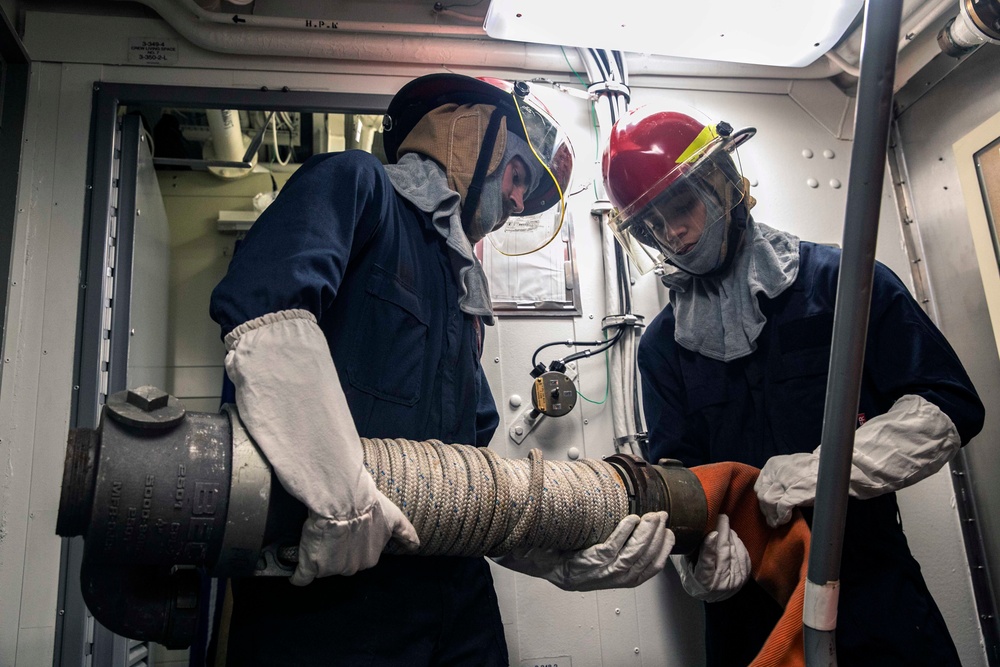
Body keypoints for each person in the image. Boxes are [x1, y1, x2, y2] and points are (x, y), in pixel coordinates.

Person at [209, 73, 675, 667]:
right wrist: (335, 488)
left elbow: (465, 486)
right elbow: (265, 312)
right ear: (469, 133)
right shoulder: (359, 185)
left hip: (453, 596)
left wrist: (555, 554)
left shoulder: (461, 296)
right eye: (517, 177)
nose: (515, 202)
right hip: (322, 590)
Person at [601, 106, 985, 666]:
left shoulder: (841, 281)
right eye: (650, 226)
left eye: (678, 206)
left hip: (869, 587)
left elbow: (949, 404)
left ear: (723, 183)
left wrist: (824, 472)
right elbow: (678, 473)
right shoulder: (663, 345)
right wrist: (697, 557)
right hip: (748, 608)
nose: (672, 234)